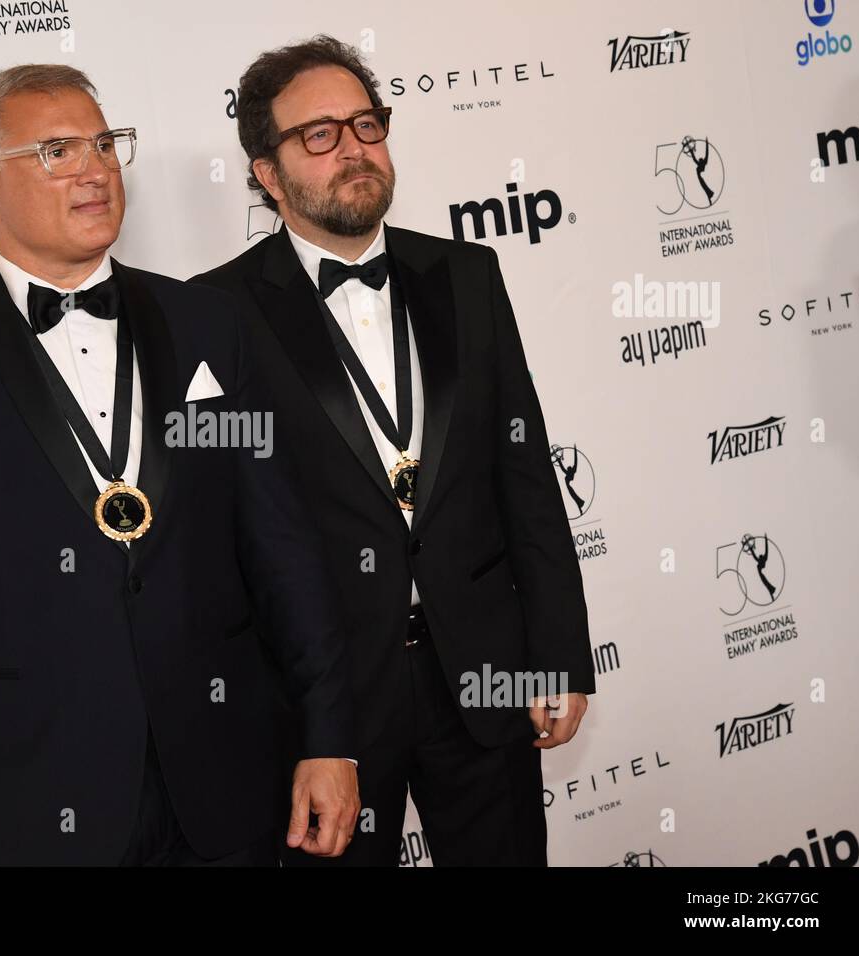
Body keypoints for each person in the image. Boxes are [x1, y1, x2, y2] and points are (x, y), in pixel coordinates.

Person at [0, 63, 359, 866]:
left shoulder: (208, 324)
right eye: (56, 150)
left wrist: (330, 739)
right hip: (27, 805)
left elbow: (282, 546)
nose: (95, 169)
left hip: (228, 788)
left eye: (106, 144)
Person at [192, 35, 595, 866]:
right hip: (325, 707)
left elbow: (523, 472)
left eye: (366, 125)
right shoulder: (216, 313)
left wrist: (558, 652)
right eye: (319, 135)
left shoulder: (468, 273)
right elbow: (225, 534)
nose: (353, 149)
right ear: (268, 174)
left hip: (486, 676)